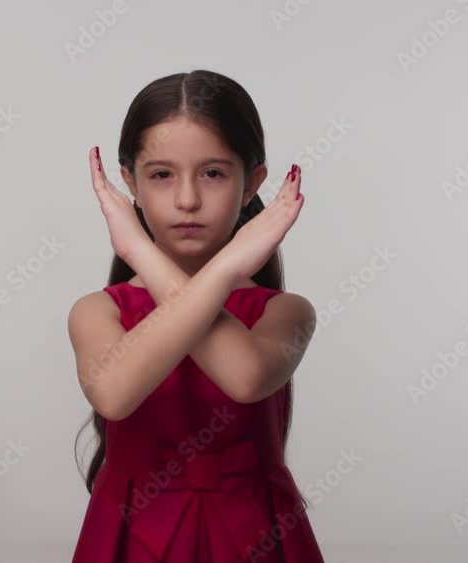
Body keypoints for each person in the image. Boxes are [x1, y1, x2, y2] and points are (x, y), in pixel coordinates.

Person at [68, 69, 325, 562]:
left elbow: (245, 377)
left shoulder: (286, 313)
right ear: (130, 184)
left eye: (213, 173)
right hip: (131, 537)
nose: (187, 200)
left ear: (252, 183)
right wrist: (218, 263)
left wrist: (150, 252)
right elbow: (114, 393)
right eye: (162, 175)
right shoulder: (98, 311)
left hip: (258, 536)